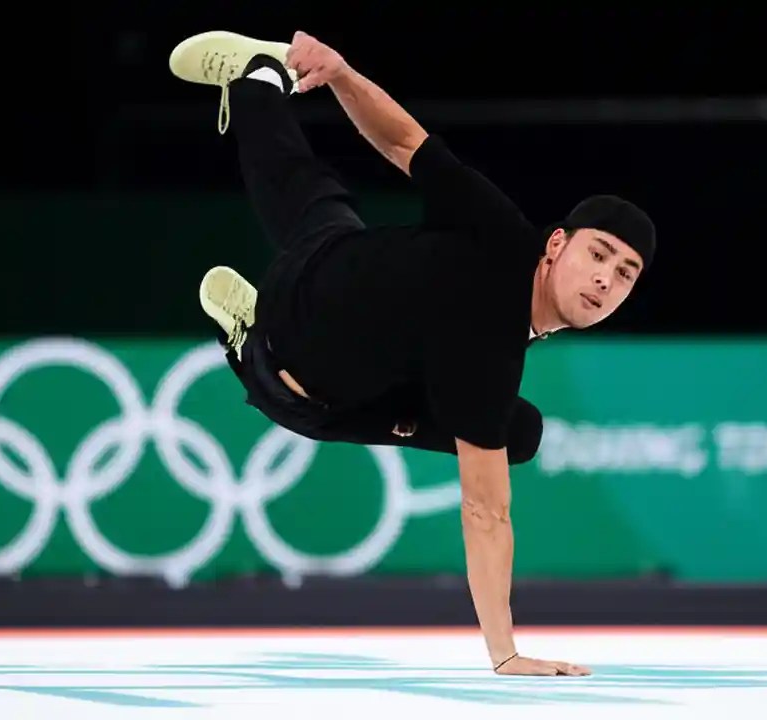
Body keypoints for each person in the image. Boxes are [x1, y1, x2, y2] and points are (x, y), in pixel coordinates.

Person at [169, 29, 656, 677]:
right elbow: (486, 511)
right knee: (467, 420)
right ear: (557, 244)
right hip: (294, 361)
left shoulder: (495, 235)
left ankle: (258, 79)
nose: (605, 279)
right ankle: (245, 335)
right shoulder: (490, 338)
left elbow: (406, 143)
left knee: (310, 192)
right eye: (599, 254)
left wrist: (340, 72)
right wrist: (504, 652)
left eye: (624, 274)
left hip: (337, 252)